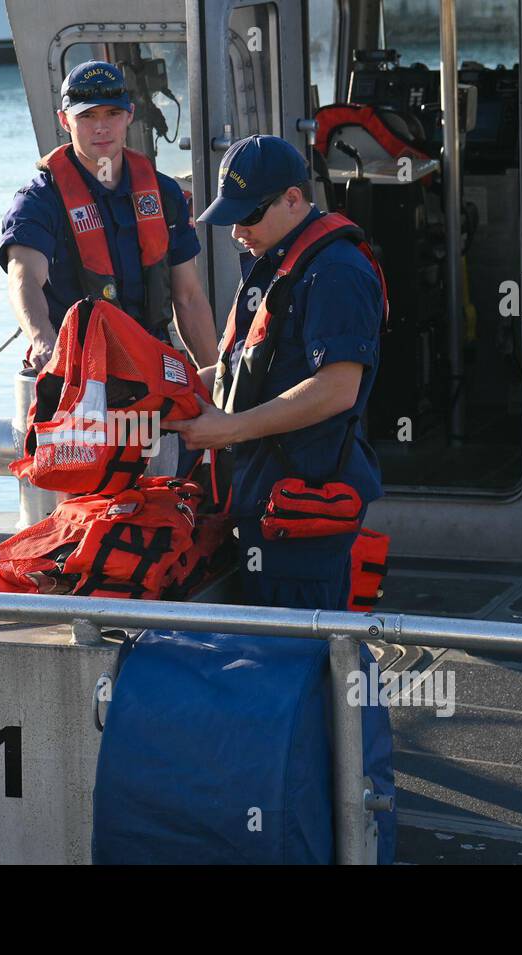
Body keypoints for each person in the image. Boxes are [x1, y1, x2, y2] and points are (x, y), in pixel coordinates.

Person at [169, 135, 385, 611]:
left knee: (304, 647)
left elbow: (337, 389)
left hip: (302, 503)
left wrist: (229, 428)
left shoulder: (336, 272)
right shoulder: (277, 262)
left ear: (293, 199)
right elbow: (241, 368)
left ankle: (357, 686)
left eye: (247, 215)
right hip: (260, 497)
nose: (235, 231)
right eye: (230, 217)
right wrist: (166, 391)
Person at [0, 60, 218, 373]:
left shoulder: (164, 194)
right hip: (78, 371)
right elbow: (23, 278)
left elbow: (189, 298)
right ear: (64, 120)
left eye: (112, 113)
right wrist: (42, 338)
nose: (101, 127)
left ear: (129, 114)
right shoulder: (39, 200)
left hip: (154, 367)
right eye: (87, 116)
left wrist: (214, 382)